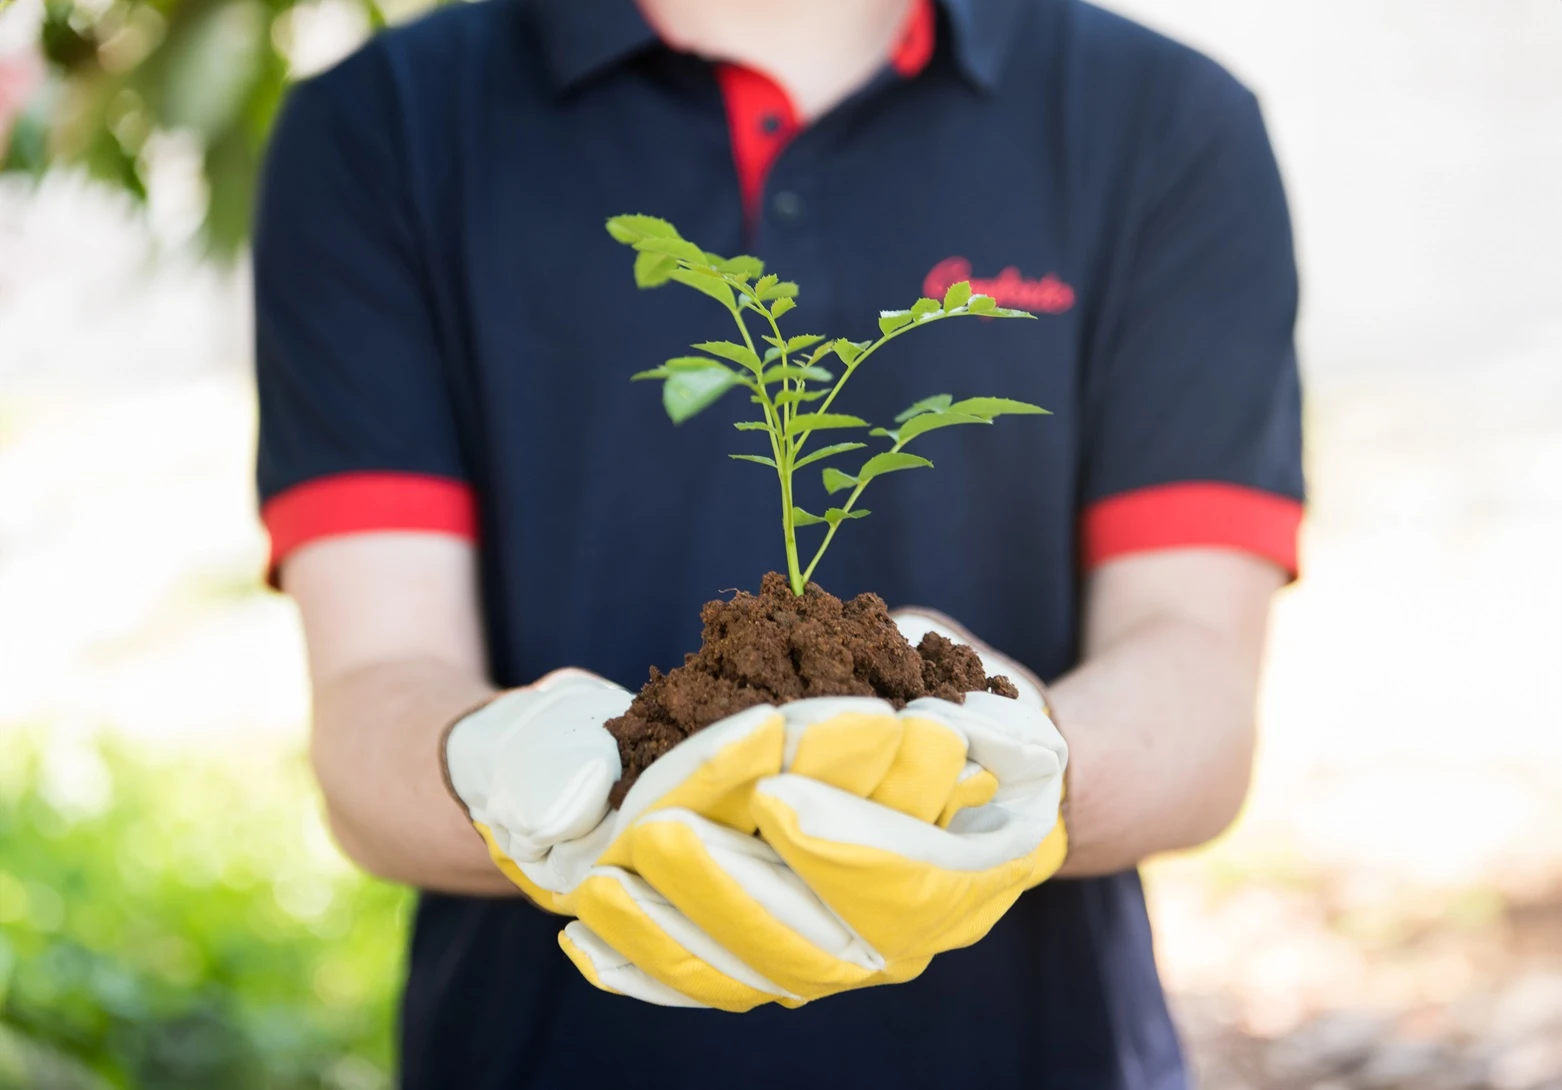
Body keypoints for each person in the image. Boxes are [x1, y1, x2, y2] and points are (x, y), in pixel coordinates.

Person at [252, 0, 1303, 1086]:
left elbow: (1196, 670)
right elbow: (376, 684)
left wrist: (1015, 784)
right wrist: (510, 776)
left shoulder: (1163, 120)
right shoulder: (383, 124)